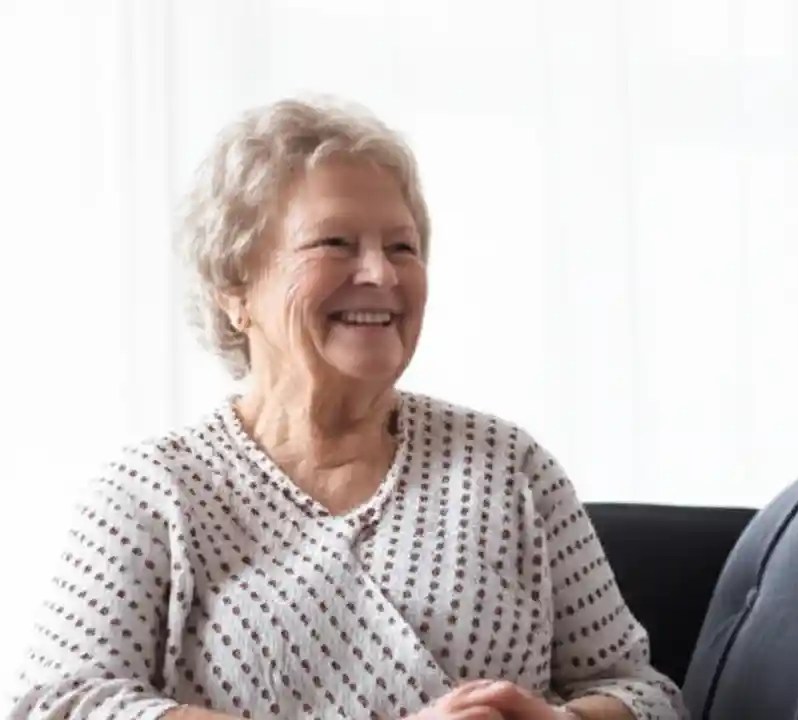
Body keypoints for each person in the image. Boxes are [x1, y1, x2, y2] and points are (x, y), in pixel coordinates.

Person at [7, 97, 686, 720]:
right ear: (234, 287)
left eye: (402, 247)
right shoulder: (153, 490)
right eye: (336, 243)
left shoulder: (509, 466)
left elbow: (645, 692)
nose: (383, 275)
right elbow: (59, 703)